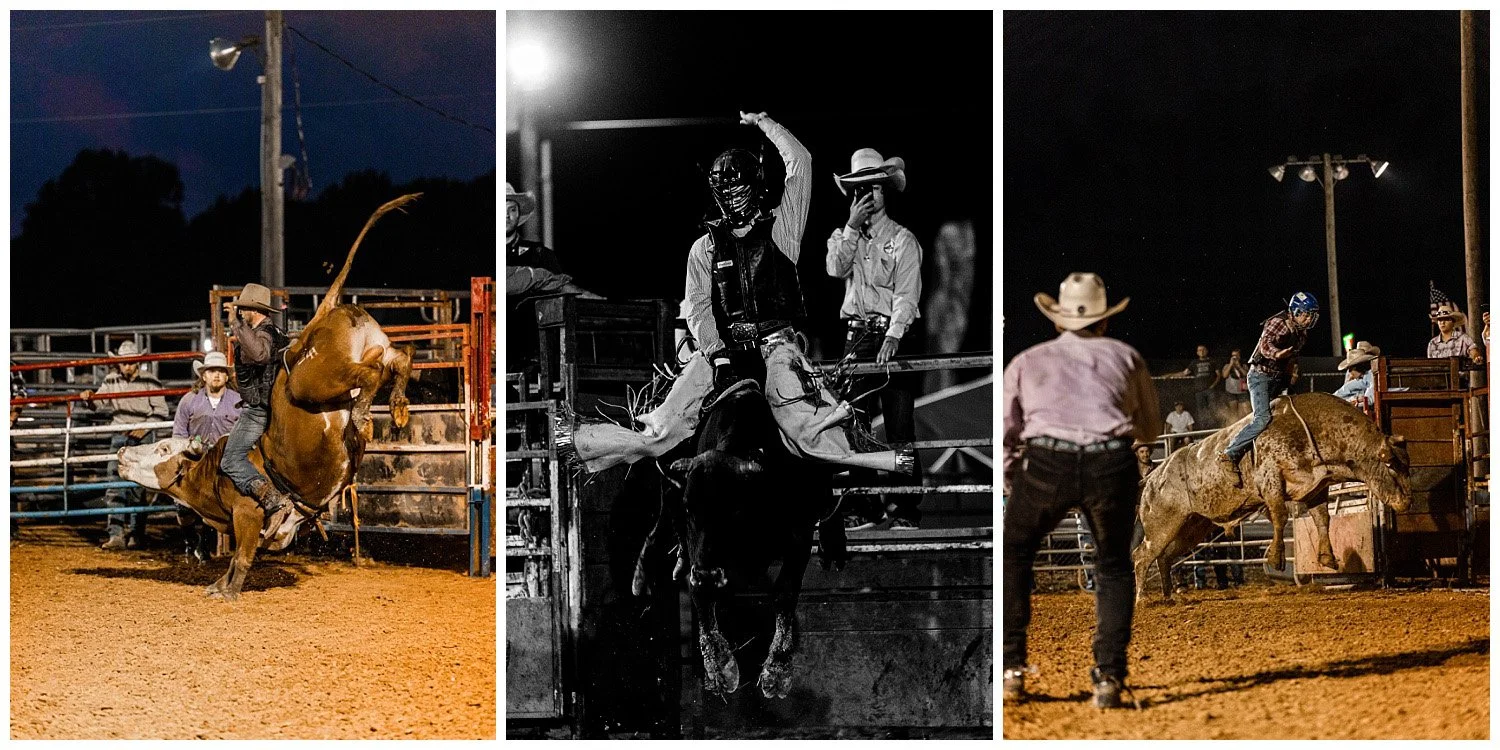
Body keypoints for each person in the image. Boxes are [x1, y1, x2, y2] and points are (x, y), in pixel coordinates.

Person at [555, 112, 911, 478]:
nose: (733, 200)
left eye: (739, 191)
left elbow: (801, 163)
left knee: (803, 425)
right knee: (662, 427)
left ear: (756, 187)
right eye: (725, 193)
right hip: (722, 353)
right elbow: (698, 308)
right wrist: (718, 355)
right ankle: (586, 443)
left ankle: (875, 460)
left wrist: (766, 124)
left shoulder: (781, 230)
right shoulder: (704, 248)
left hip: (778, 348)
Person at [1002, 272, 1161, 709]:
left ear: (1057, 322)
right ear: (1105, 321)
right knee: (1112, 563)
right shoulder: (1126, 356)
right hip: (1110, 461)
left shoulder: (1028, 360)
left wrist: (1013, 477)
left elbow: (1007, 431)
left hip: (1047, 461)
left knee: (1013, 552)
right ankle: (1108, 677)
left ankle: (1012, 669)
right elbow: (1149, 427)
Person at [825, 147, 925, 529]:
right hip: (856, 335)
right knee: (856, 424)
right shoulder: (843, 237)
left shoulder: (902, 240)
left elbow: (907, 293)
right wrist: (851, 227)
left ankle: (903, 508)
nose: (868, 196)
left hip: (891, 334)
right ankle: (865, 506)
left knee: (900, 425)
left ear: (885, 193)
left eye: (875, 189)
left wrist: (895, 333)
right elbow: (835, 269)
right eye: (860, 190)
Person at [217, 283, 295, 537]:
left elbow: (260, 355)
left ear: (252, 309)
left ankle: (272, 500)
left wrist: (236, 325)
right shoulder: (275, 332)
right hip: (270, 404)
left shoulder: (264, 334)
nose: (240, 313)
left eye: (243, 310)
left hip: (258, 409)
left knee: (230, 459)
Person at [1218, 292, 1319, 488]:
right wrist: (1279, 354)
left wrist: (1291, 373)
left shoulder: (1301, 334)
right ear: (1296, 312)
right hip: (1260, 376)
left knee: (1288, 413)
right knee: (1262, 418)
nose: (1309, 319)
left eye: (1311, 315)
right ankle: (1228, 455)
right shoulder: (1277, 323)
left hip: (1278, 378)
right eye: (1306, 314)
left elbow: (1293, 358)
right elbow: (1265, 346)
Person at [80, 341, 169, 550]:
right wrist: (89, 399)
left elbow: (161, 410)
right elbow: (98, 403)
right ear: (118, 364)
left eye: (131, 362)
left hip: (142, 438)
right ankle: (117, 534)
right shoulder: (111, 381)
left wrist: (145, 427)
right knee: (115, 485)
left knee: (139, 486)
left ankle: (136, 533)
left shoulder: (150, 381)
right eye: (124, 363)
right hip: (120, 433)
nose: (127, 366)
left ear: (138, 362)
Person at [172, 350, 242, 442]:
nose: (216, 375)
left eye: (221, 371)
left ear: (226, 377)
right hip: (197, 454)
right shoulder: (188, 401)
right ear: (204, 376)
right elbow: (179, 435)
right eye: (211, 371)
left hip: (228, 454)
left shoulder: (239, 402)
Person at [1426, 300, 1482, 365]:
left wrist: (1476, 357)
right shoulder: (1432, 343)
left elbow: (1473, 350)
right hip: (1439, 375)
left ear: (1453, 322)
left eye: (1446, 319)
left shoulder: (1463, 338)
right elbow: (1430, 364)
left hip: (1460, 374)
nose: (1442, 322)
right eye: (1440, 320)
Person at [1177, 344, 1220, 427]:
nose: (1202, 352)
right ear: (1197, 353)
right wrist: (1170, 375)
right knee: (1202, 411)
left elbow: (1218, 375)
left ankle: (1214, 427)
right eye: (1199, 350)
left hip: (1210, 390)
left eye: (1203, 350)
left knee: (1213, 409)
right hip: (1199, 391)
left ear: (1206, 351)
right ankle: (1204, 429)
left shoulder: (1212, 361)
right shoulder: (1194, 363)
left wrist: (1213, 385)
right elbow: (1184, 373)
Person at [1333, 340, 1380, 405]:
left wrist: (1353, 402)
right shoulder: (1363, 377)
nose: (1349, 372)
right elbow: (1347, 388)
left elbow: (1370, 399)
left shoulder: (1371, 374)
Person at [1221, 349, 1250, 420]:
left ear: (1240, 356)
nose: (1235, 357)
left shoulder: (1243, 365)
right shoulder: (1227, 365)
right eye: (1233, 356)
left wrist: (1239, 366)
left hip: (1242, 391)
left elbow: (1247, 375)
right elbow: (1224, 375)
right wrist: (1231, 364)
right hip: (1230, 391)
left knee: (1246, 410)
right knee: (1233, 411)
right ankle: (1233, 423)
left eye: (1237, 355)